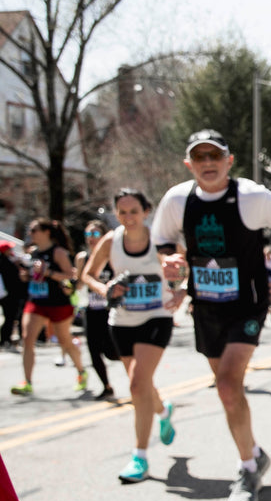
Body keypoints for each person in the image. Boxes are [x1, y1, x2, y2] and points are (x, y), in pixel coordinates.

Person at [152, 129, 271, 501]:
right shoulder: (178, 200)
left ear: (228, 161)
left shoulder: (252, 196)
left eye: (214, 156)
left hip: (247, 304)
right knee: (227, 390)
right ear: (189, 164)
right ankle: (254, 454)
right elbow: (163, 240)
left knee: (228, 385)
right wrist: (168, 260)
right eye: (199, 157)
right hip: (206, 307)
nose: (207, 164)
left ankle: (248, 469)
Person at [82, 189, 182, 483]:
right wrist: (107, 289)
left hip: (156, 317)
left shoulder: (160, 241)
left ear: (146, 211)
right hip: (122, 321)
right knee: (143, 385)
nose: (128, 217)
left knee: (137, 384)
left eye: (134, 211)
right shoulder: (111, 241)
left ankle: (140, 457)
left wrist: (179, 288)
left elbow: (185, 267)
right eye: (122, 212)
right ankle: (163, 412)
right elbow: (88, 274)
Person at [10, 218, 87, 396]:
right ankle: (27, 382)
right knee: (27, 338)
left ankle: (81, 372)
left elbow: (70, 275)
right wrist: (26, 276)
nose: (30, 234)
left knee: (64, 341)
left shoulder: (58, 252)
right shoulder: (33, 253)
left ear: (47, 232)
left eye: (34, 230)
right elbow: (33, 276)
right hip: (36, 301)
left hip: (58, 303)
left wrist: (49, 273)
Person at [76, 221, 119, 400]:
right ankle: (106, 386)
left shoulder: (112, 254)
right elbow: (79, 283)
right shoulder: (82, 258)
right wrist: (71, 283)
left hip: (111, 309)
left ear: (103, 236)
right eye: (88, 235)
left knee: (113, 351)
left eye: (94, 235)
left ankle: (138, 378)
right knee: (94, 351)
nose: (91, 239)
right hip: (92, 309)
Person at [1, 240, 28, 350]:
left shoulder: (10, 260)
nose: (11, 251)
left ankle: (6, 339)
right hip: (8, 295)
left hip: (10, 294)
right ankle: (5, 340)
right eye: (9, 249)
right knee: (10, 317)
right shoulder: (4, 262)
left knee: (11, 317)